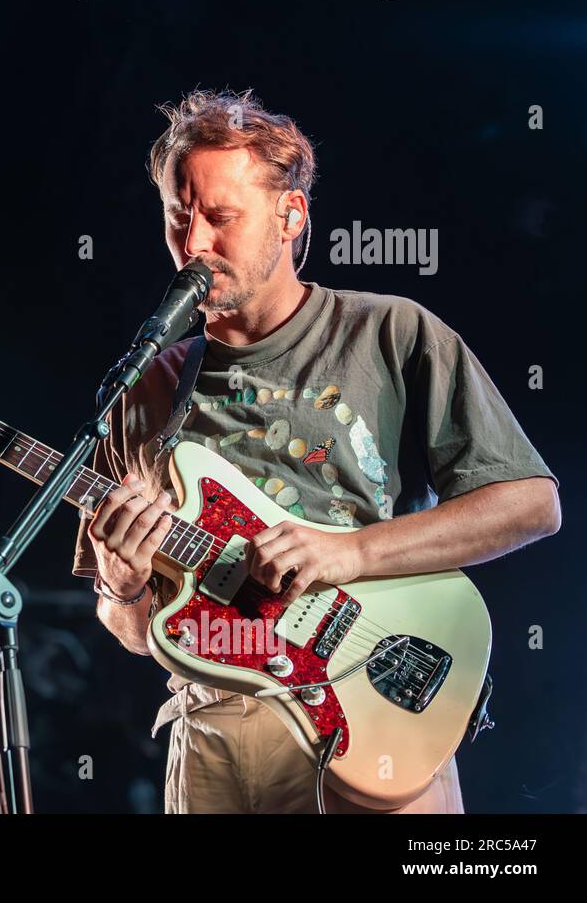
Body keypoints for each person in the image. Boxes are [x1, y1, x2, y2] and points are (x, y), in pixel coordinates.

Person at [71, 89, 561, 813]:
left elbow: (531, 503)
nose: (194, 243)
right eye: (180, 217)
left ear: (292, 217)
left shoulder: (390, 333)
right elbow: (138, 633)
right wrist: (121, 581)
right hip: (212, 738)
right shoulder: (150, 386)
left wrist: (351, 552)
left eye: (221, 216)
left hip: (375, 717)